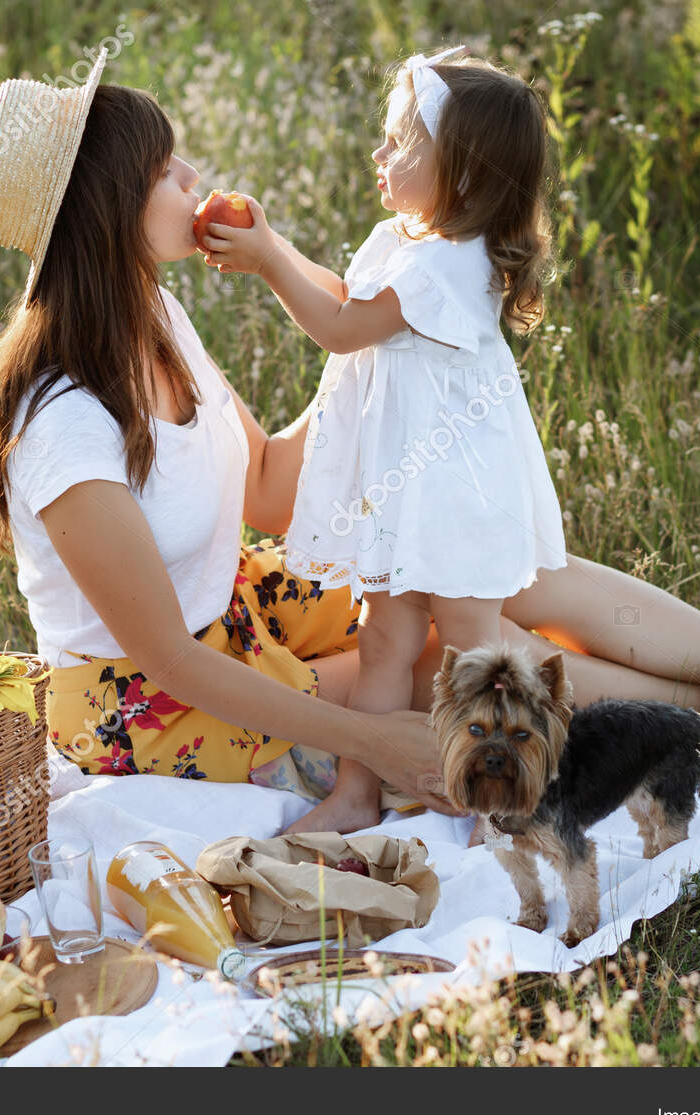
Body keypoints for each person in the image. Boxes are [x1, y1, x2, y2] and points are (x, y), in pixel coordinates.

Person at [0, 52, 700, 840]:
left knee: (488, 570)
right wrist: (376, 742)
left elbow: (262, 486)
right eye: (165, 171)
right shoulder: (65, 426)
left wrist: (384, 378)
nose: (194, 178)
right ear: (104, 209)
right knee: (449, 656)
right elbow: (167, 658)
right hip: (153, 698)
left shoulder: (154, 313)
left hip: (244, 599)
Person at [201, 48, 568, 832]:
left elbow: (339, 330)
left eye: (403, 143)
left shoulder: (450, 267)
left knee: (476, 655)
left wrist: (267, 260)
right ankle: (357, 790)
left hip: (458, 496)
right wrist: (278, 247)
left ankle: (504, 801)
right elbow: (347, 300)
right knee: (385, 644)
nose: (380, 153)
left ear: (463, 181)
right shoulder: (405, 242)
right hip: (405, 494)